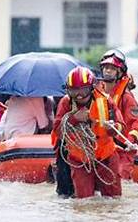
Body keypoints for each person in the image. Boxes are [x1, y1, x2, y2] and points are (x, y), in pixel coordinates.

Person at [51, 66, 125, 198]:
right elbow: (57, 130)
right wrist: (74, 119)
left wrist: (113, 129)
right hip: (80, 160)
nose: (79, 95)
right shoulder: (66, 103)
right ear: (68, 90)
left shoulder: (106, 101)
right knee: (84, 201)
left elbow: (121, 126)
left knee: (114, 199)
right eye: (74, 91)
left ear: (91, 88)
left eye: (83, 90)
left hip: (106, 157)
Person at [99, 49, 138, 180]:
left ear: (119, 73)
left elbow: (137, 123)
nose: (108, 71)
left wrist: (129, 142)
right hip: (101, 146)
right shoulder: (96, 94)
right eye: (106, 68)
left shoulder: (126, 97)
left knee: (120, 178)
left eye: (112, 69)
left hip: (122, 148)